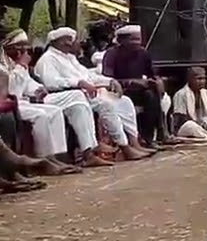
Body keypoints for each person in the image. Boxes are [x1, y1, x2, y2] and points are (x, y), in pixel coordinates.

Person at [34, 27, 152, 161]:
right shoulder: (48, 59)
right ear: (63, 42)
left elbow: (88, 76)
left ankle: (127, 145)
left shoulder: (69, 58)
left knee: (118, 102)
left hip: (80, 95)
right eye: (72, 40)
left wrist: (110, 81)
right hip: (59, 96)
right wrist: (78, 83)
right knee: (81, 103)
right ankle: (90, 151)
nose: (76, 43)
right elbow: (51, 83)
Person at [0, 31, 110, 166]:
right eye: (23, 49)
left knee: (56, 111)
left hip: (32, 100)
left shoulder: (69, 58)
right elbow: (13, 92)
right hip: (14, 103)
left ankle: (62, 156)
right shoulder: (2, 63)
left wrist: (38, 89)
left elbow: (29, 84)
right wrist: (21, 67)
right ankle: (44, 159)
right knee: (42, 115)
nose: (27, 53)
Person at [101, 25, 174, 147]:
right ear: (121, 41)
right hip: (119, 92)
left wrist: (158, 81)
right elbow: (107, 79)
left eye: (138, 39)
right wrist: (131, 82)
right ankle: (153, 135)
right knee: (148, 96)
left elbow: (152, 74)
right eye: (133, 39)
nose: (137, 43)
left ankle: (151, 137)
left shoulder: (143, 53)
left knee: (152, 94)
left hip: (140, 91)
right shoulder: (111, 54)